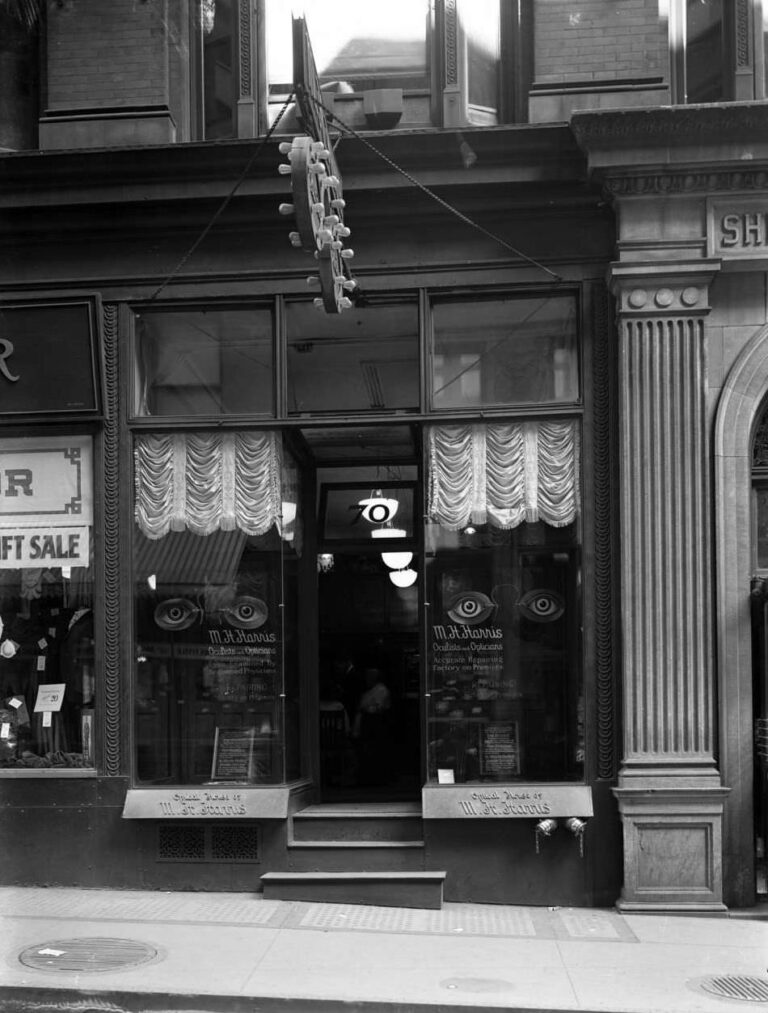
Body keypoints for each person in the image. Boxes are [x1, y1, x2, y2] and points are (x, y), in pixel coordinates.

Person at [352, 666, 392, 786]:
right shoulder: (369, 690)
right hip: (366, 725)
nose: (367, 679)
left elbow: (378, 708)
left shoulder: (381, 690)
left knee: (375, 751)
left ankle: (376, 779)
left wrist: (366, 709)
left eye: (370, 677)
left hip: (375, 725)